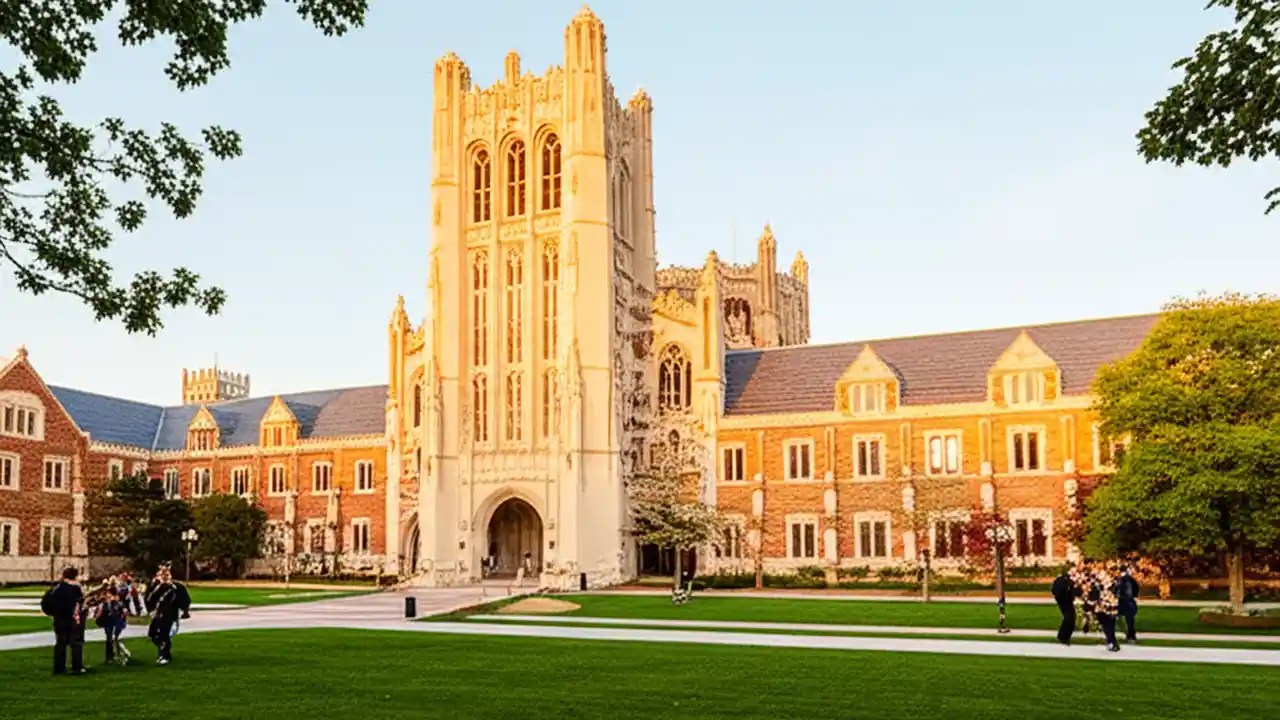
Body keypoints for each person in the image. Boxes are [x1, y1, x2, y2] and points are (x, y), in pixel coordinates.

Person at [42, 566, 87, 675]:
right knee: (76, 643)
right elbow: (81, 603)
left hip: (59, 619)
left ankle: (59, 668)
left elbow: (46, 603)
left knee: (60, 643)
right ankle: (77, 666)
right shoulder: (76, 588)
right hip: (72, 619)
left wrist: (54, 613)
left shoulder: (56, 588)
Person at [144, 564, 191, 665]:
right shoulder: (154, 586)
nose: (164, 576)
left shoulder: (178, 587)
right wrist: (150, 610)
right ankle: (164, 652)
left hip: (170, 615)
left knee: (164, 635)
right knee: (153, 635)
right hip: (157, 615)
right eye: (162, 574)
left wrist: (185, 611)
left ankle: (163, 656)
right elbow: (148, 599)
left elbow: (185, 600)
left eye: (167, 574)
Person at [1087, 566, 1121, 652]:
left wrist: (1089, 608)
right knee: (1110, 626)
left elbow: (1093, 598)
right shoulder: (1112, 584)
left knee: (1107, 626)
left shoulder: (1099, 586)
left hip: (1103, 608)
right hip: (1112, 607)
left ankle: (1111, 642)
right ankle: (1113, 642)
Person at [1050, 568, 1077, 645]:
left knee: (1069, 618)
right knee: (1070, 618)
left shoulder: (1060, 579)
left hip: (1063, 600)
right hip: (1065, 601)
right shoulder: (1067, 581)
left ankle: (1063, 636)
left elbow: (1053, 590)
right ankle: (1063, 637)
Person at [1116, 565, 1140, 644]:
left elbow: (1117, 589)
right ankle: (1131, 636)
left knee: (1112, 618)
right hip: (1130, 601)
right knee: (1130, 620)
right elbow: (1136, 587)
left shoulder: (1120, 580)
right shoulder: (1131, 579)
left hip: (1123, 601)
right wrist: (1135, 595)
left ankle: (1128, 635)